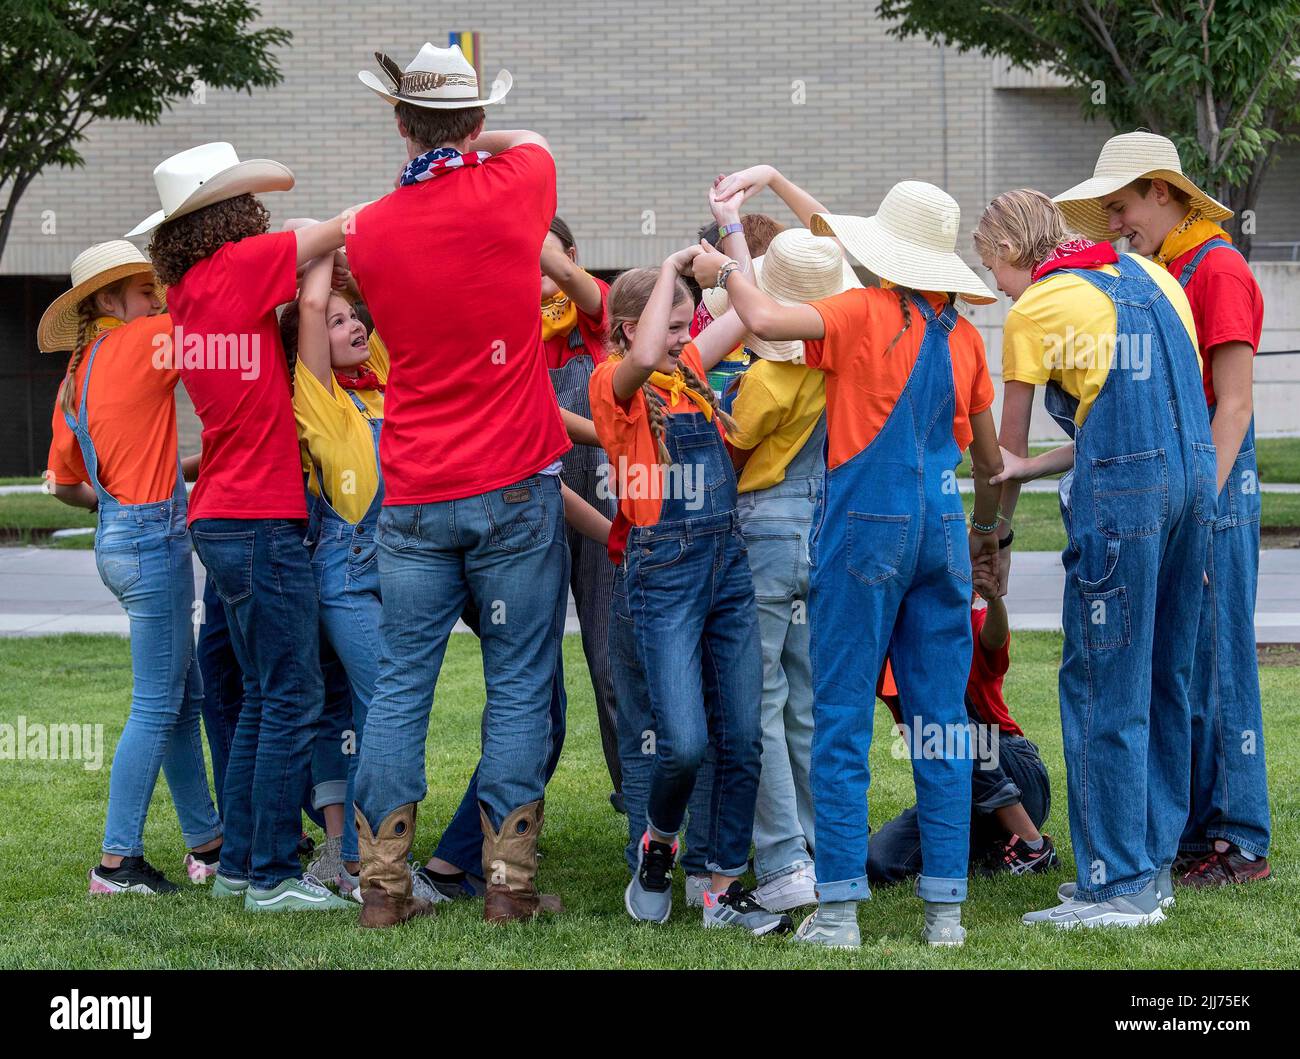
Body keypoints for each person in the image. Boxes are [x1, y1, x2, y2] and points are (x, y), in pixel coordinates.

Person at [694, 178, 1005, 949]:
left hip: (864, 534)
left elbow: (762, 316)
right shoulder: (964, 337)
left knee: (836, 720)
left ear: (885, 256)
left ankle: (836, 911)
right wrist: (989, 540)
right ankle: (946, 915)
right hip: (942, 530)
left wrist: (721, 267)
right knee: (940, 725)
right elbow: (993, 461)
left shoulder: (859, 312)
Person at [345, 43, 571, 927]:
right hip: (513, 483)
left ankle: (382, 888)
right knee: (517, 681)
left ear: (398, 122)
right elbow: (533, 139)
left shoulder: (369, 227)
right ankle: (508, 889)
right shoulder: (517, 180)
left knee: (401, 683)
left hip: (412, 489)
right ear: (477, 125)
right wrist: (469, 140)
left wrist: (429, 143)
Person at [978, 188, 1216, 929]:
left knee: (1102, 680)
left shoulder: (1034, 311)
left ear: (1013, 253)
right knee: (1163, 676)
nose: (996, 289)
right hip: (1193, 482)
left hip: (1125, 498)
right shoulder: (1152, 277)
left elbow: (1002, 453)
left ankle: (1115, 884)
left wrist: (996, 542)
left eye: (993, 271)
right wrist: (1033, 468)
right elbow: (1145, 418)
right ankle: (1150, 869)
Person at [134, 141, 359, 912]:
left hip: (226, 517)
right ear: (228, 214)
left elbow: (304, 248)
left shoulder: (191, 290)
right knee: (291, 693)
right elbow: (336, 231)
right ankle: (269, 874)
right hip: (260, 515)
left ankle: (238, 862)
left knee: (264, 694)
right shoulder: (235, 270)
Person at [1054, 132, 1271, 888]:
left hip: (1214, 484)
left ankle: (1239, 836)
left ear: (1163, 192)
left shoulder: (1219, 268)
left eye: (1122, 207)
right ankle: (1190, 829)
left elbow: (1235, 404)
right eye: (1108, 211)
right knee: (1182, 661)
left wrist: (1200, 512)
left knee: (1219, 661)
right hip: (1190, 483)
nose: (1116, 224)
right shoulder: (1167, 270)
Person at [589, 256, 791, 936]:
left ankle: (720, 887)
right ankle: (657, 844)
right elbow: (646, 350)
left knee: (741, 735)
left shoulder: (693, 373)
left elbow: (748, 308)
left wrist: (728, 252)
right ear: (628, 328)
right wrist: (673, 266)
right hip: (662, 575)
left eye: (686, 325)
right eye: (675, 325)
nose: (684, 336)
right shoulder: (610, 383)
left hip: (725, 567)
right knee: (683, 743)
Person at [41, 241, 222, 895]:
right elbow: (214, 328)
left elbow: (62, 484)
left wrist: (119, 504)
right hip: (152, 540)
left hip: (118, 537)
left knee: (183, 697)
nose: (157, 299)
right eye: (145, 290)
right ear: (109, 300)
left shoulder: (78, 371)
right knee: (157, 702)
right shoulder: (149, 340)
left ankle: (209, 843)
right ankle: (117, 863)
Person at [722, 227, 861, 912]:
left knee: (764, 697)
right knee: (811, 698)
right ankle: (827, 842)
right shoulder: (843, 363)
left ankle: (780, 856)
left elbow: (733, 448)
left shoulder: (767, 376)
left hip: (767, 533)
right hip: (827, 528)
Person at [868, 590, 1056, 885]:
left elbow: (993, 638)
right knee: (880, 861)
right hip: (959, 793)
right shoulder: (895, 651)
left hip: (1018, 775)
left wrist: (995, 599)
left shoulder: (972, 623)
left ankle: (1033, 847)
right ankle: (995, 846)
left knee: (944, 722)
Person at [539, 216, 623, 805]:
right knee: (532, 677)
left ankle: (639, 807)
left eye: (542, 255)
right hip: (537, 499)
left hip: (601, 496)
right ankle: (515, 821)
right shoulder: (505, 323)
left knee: (613, 657)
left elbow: (579, 286)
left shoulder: (600, 315)